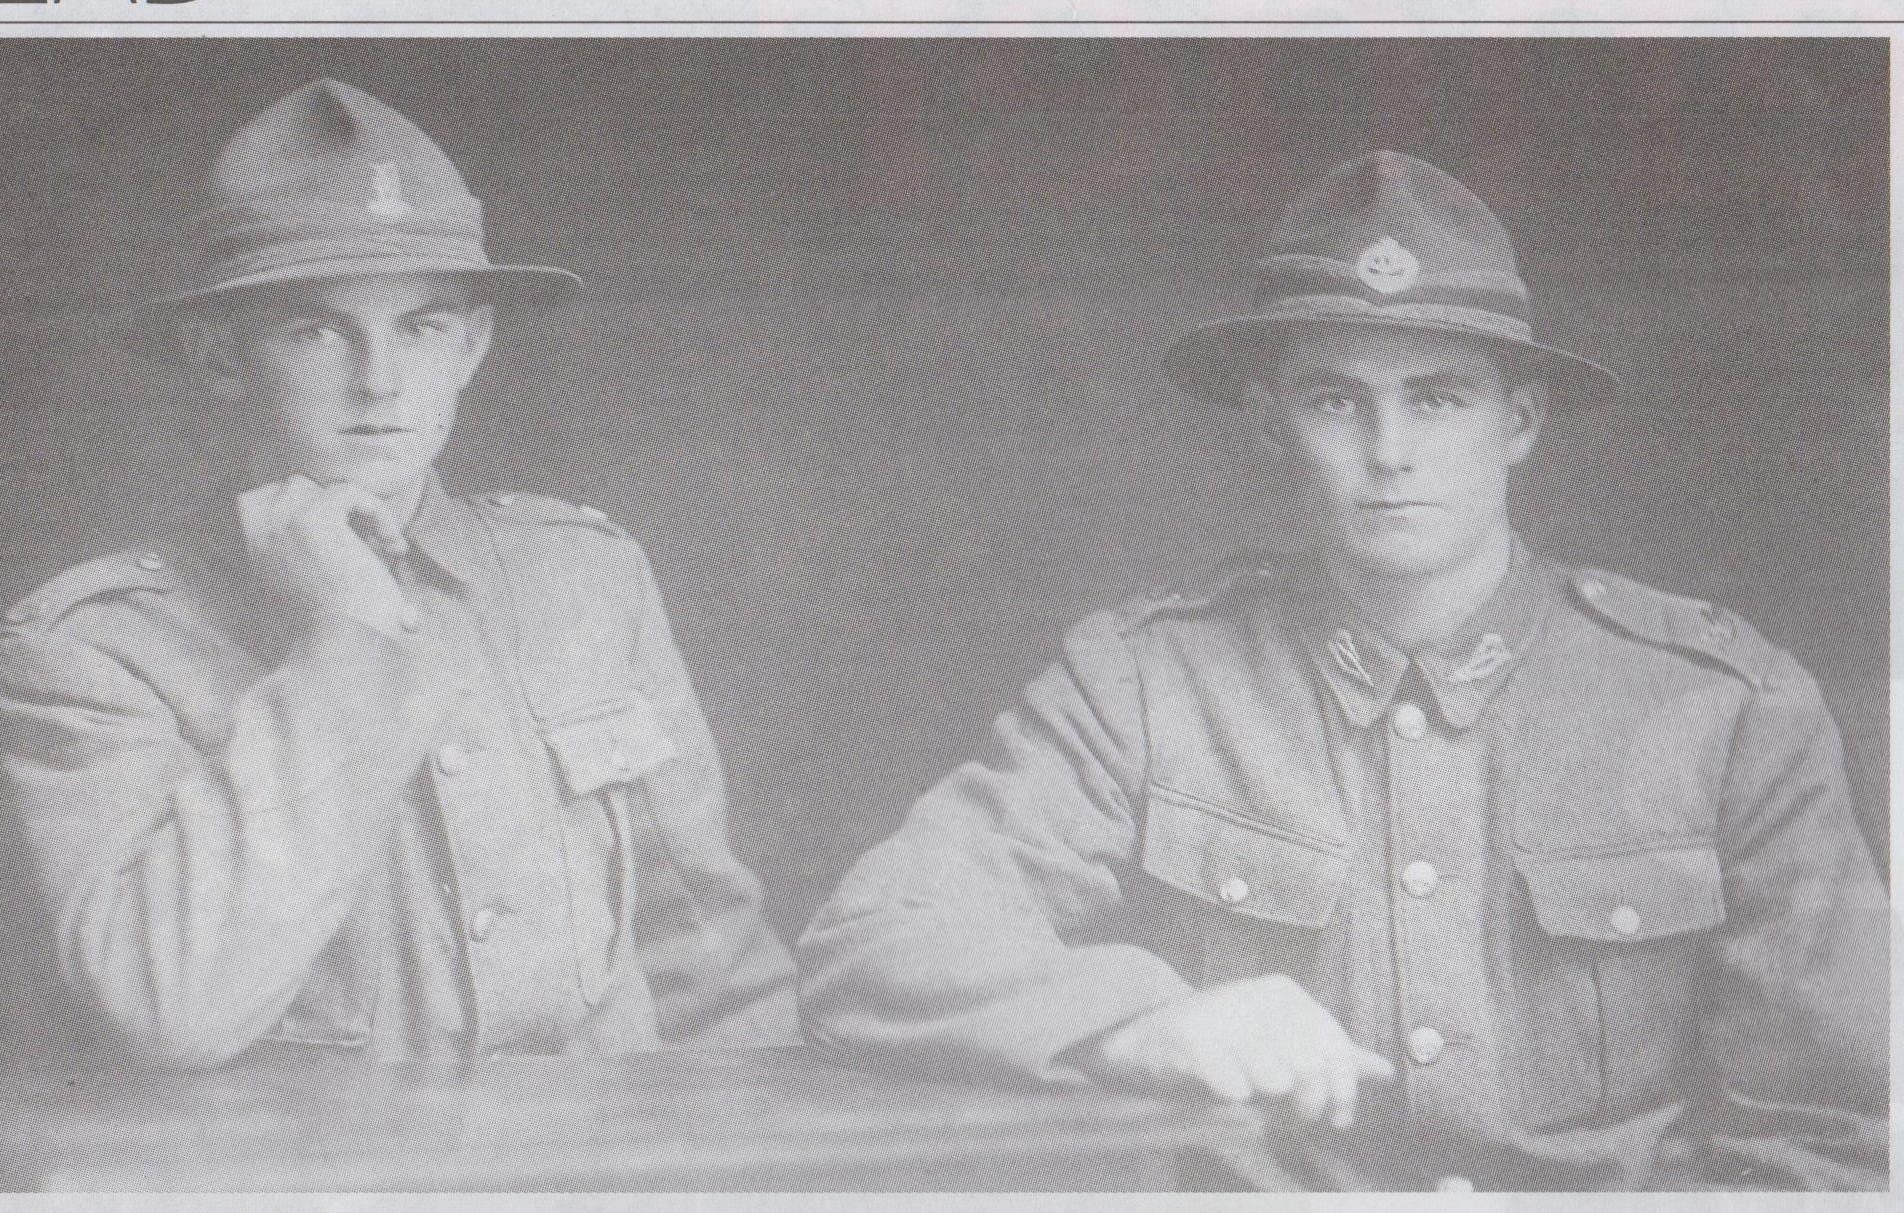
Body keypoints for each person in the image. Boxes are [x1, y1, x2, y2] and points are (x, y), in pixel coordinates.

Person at [797, 151, 1887, 1190]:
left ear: (1520, 420)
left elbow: (1841, 1142)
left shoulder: (1724, 708)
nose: (1390, 449)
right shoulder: (1145, 681)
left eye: (1439, 397)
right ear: (1272, 426)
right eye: (1335, 400)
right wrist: (1139, 1018)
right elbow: (879, 936)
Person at [0, 79, 794, 1067]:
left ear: (474, 346)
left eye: (422, 326)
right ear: (218, 358)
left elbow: (713, 971)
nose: (379, 379)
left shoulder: (583, 580)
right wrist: (341, 644)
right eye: (317, 329)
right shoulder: (93, 650)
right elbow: (171, 1008)